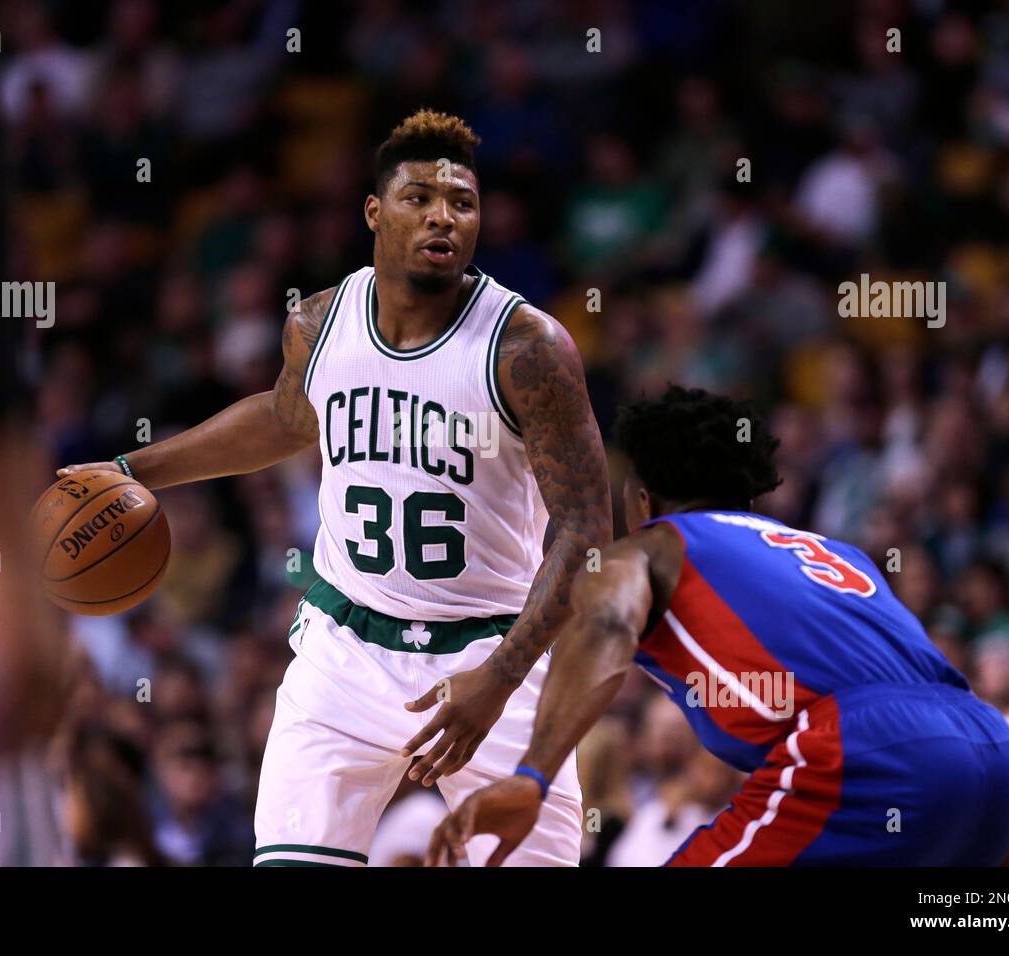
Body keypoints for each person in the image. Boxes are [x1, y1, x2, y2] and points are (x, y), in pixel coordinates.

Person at [59, 109, 611, 866]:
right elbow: (288, 419)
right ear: (375, 213)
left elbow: (585, 528)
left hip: (491, 654)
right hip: (345, 649)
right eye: (419, 198)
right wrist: (131, 470)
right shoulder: (318, 324)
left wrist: (500, 678)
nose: (443, 216)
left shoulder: (528, 349)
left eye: (463, 202)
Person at [427, 385, 1009, 866]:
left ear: (642, 499)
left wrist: (533, 775)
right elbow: (942, 727)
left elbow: (607, 622)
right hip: (993, 752)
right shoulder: (839, 553)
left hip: (866, 751)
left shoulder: (652, 548)